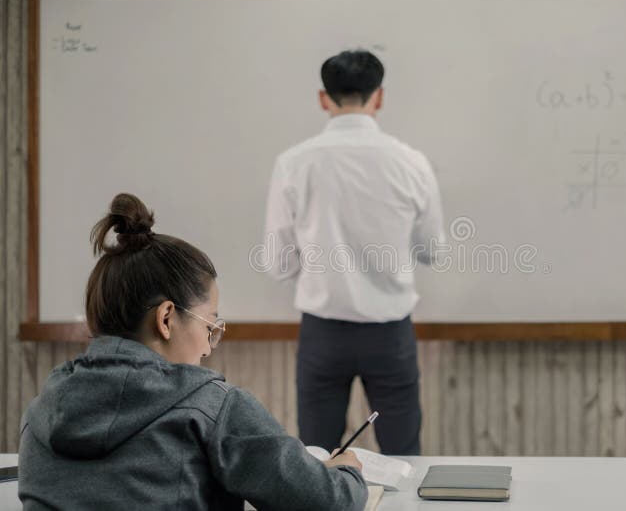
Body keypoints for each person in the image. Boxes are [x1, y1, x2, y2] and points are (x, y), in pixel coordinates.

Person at [18, 193, 367, 510]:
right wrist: (347, 473)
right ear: (167, 318)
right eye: (209, 327)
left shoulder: (41, 411)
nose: (206, 349)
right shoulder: (212, 406)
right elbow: (328, 502)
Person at [264, 50, 446, 455]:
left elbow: (278, 264)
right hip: (390, 332)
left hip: (323, 332)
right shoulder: (412, 162)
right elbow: (433, 250)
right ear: (378, 97)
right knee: (404, 457)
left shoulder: (293, 163)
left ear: (323, 98)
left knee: (315, 459)